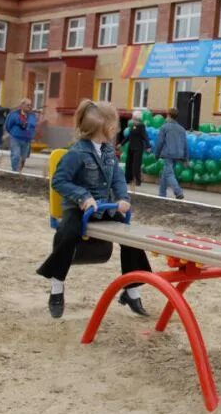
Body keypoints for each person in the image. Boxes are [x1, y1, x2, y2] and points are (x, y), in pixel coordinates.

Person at [37, 99, 152, 319]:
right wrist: (82, 197)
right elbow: (59, 181)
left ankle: (131, 289)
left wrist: (122, 197)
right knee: (67, 234)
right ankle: (57, 287)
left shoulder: (109, 151)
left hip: (103, 209)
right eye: (115, 125)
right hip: (79, 208)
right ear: (107, 128)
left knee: (131, 238)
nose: (116, 129)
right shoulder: (76, 153)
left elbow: (118, 178)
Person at [154, 108, 188, 200]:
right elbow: (185, 144)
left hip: (168, 153)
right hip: (178, 154)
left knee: (169, 173)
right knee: (165, 172)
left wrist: (156, 154)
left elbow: (160, 142)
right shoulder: (182, 129)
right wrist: (185, 158)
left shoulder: (164, 127)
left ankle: (178, 192)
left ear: (168, 115)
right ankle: (162, 194)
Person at [120, 111, 151, 192]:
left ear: (136, 117)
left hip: (138, 148)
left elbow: (145, 136)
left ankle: (137, 180)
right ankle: (127, 179)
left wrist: (148, 146)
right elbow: (129, 136)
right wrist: (122, 143)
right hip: (131, 147)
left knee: (136, 165)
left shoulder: (141, 126)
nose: (132, 118)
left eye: (133, 116)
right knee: (128, 163)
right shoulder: (132, 125)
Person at [5, 98, 38, 172]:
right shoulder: (14, 114)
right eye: (27, 105)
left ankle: (19, 171)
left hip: (27, 139)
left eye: (30, 105)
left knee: (23, 157)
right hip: (16, 138)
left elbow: (33, 126)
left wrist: (31, 134)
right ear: (22, 105)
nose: (29, 106)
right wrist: (14, 132)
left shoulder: (32, 115)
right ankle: (15, 171)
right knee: (16, 155)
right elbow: (8, 125)